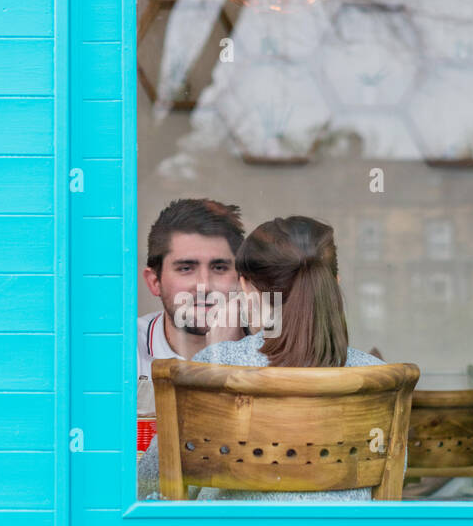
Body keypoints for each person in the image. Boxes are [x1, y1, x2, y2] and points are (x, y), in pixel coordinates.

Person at [138, 215, 387, 503]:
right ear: (335, 284)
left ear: (245, 289)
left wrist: (214, 362)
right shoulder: (377, 377)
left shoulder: (218, 366)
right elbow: (386, 484)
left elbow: (152, 485)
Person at [138, 198, 246, 380]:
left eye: (219, 268)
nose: (204, 285)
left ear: (242, 279)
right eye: (185, 269)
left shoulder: (272, 348)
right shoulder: (122, 349)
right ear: (155, 282)